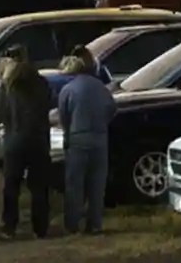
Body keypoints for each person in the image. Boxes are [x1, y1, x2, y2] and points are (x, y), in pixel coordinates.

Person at [0, 45, 53, 240]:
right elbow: (48, 104)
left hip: (15, 139)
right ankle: (40, 227)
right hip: (38, 139)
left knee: (11, 184)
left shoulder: (8, 86)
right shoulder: (41, 82)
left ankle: (9, 225)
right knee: (39, 186)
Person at [58, 47, 118, 235]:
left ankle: (72, 223)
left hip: (77, 138)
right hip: (99, 138)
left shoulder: (68, 89)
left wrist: (68, 134)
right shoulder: (101, 87)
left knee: (75, 184)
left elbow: (63, 116)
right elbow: (112, 109)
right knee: (97, 184)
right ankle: (95, 224)